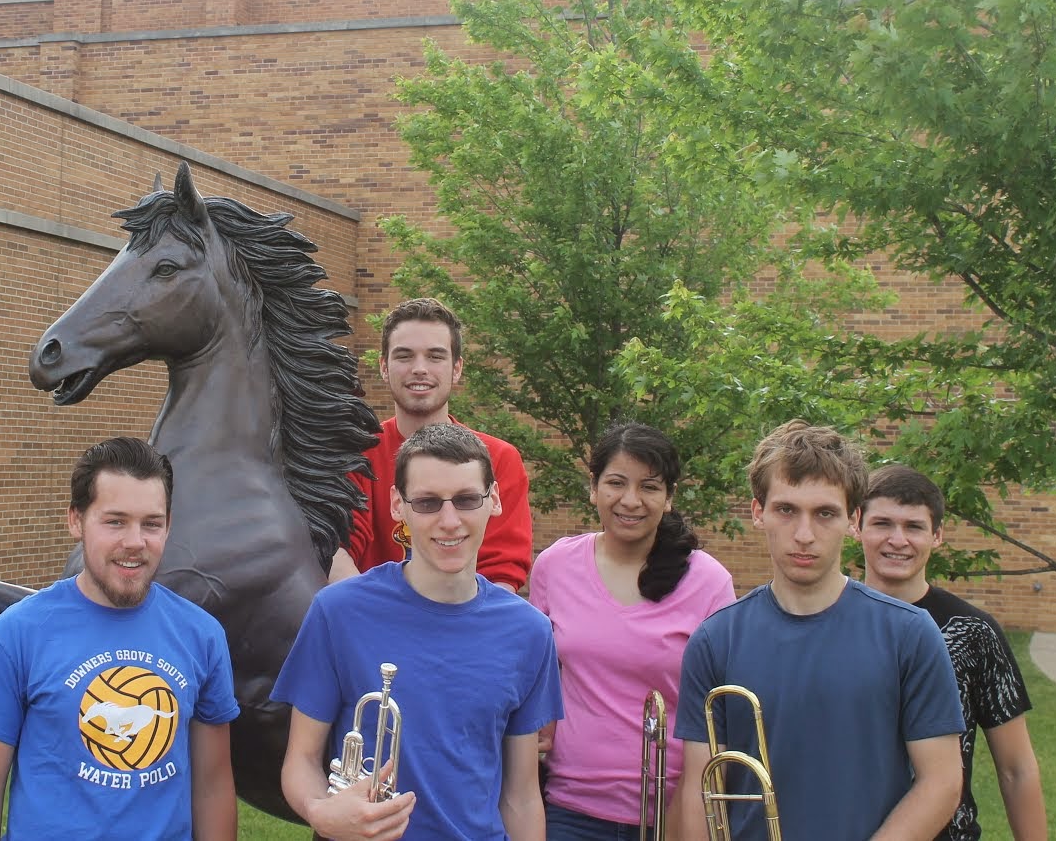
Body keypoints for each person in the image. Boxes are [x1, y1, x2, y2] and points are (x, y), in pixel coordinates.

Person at [675, 421, 966, 841]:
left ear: (854, 519)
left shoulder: (909, 634)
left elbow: (941, 784)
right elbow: (701, 791)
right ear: (758, 512)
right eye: (786, 510)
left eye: (825, 513)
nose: (804, 535)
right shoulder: (715, 640)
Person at [275, 423, 562, 841]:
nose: (449, 521)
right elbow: (300, 760)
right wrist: (321, 812)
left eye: (466, 500)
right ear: (397, 504)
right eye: (427, 503)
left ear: (494, 499)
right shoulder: (338, 612)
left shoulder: (529, 631)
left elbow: (521, 796)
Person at [0, 437, 238, 841]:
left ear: (169, 525)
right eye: (115, 521)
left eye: (151, 523)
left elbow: (212, 786)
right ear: (76, 520)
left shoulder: (202, 636)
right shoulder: (17, 634)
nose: (135, 542)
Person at [529, 421, 735, 840]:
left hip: (673, 815)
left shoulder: (709, 581)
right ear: (594, 488)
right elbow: (536, 674)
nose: (631, 501)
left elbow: (721, 715)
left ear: (670, 497)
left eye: (649, 487)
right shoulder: (554, 566)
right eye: (616, 483)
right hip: (570, 809)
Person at [860, 464, 1047, 841]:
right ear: (856, 525)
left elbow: (1016, 768)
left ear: (938, 535)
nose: (898, 540)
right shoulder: (829, 620)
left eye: (914, 526)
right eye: (882, 523)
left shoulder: (973, 632)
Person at [330, 297, 533, 592]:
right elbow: (337, 549)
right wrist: (375, 624)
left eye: (435, 356)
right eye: (404, 356)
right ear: (384, 367)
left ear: (457, 368)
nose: (419, 369)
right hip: (375, 624)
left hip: (466, 629)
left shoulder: (499, 458)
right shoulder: (354, 453)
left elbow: (501, 571)